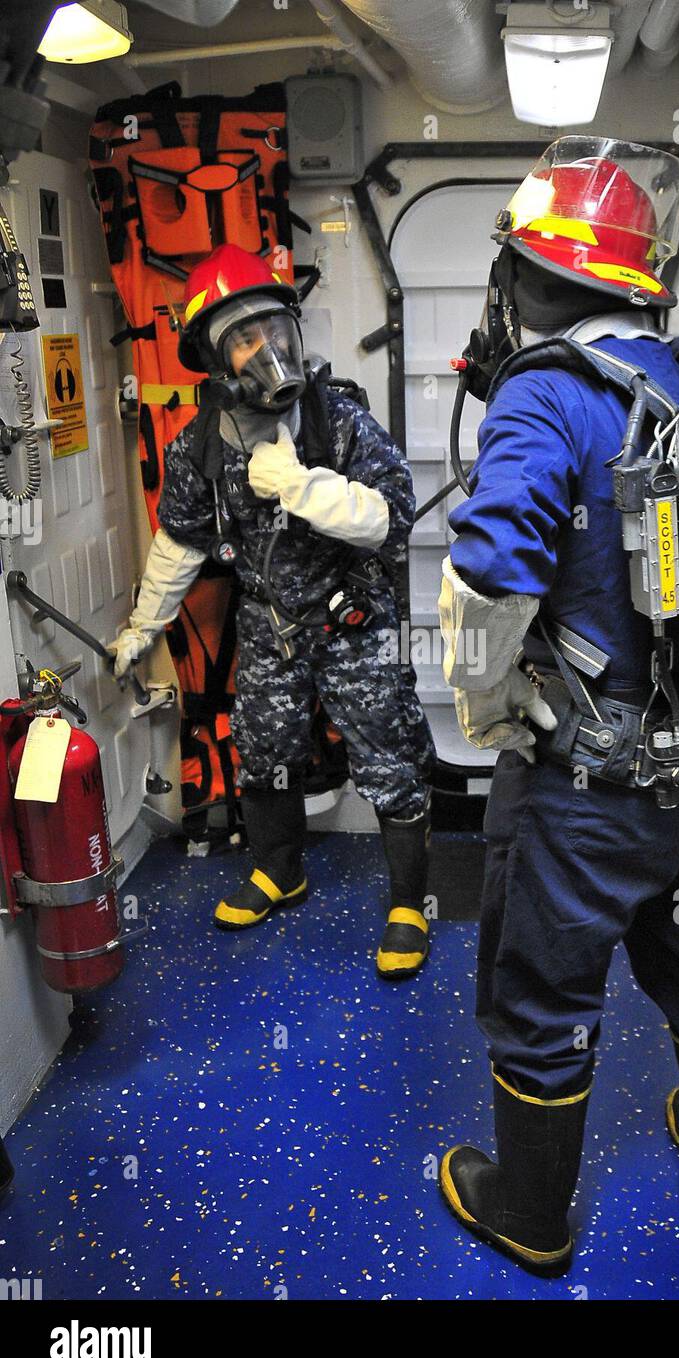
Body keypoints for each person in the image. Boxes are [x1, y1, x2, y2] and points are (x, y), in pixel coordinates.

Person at [436, 137, 679, 1273]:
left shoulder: (542, 392)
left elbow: (488, 574)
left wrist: (481, 706)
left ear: (521, 280)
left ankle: (527, 1217)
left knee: (541, 995)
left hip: (580, 787)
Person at [109, 244, 436, 979]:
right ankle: (278, 872)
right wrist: (141, 627)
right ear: (220, 358)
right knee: (264, 751)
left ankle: (410, 903)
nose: (266, 350)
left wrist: (300, 485)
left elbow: (392, 518)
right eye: (244, 338)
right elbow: (179, 543)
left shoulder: (339, 419)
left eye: (274, 330)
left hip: (354, 620)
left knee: (388, 756)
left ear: (295, 329)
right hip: (269, 627)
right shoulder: (202, 445)